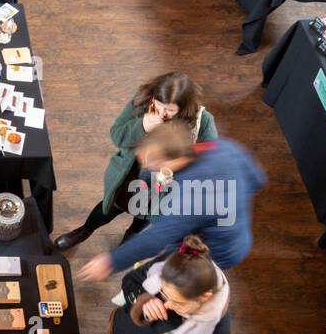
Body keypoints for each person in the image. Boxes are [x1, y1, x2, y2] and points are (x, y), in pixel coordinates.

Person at [78, 123, 267, 283]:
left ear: (169, 160)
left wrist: (110, 261)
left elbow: (156, 238)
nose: (149, 166)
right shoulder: (224, 147)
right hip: (240, 237)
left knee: (173, 283)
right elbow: (258, 179)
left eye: (152, 162)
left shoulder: (190, 198)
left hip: (216, 253)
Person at [54, 73, 218, 252]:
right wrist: (143, 125)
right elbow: (117, 135)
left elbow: (211, 160)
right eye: (160, 105)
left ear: (184, 106)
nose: (163, 113)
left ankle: (129, 240)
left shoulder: (202, 121)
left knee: (145, 217)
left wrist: (176, 164)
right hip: (131, 174)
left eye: (170, 110)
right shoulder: (142, 101)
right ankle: (84, 231)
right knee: (109, 208)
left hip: (163, 186)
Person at [94, 235, 231, 334]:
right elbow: (131, 280)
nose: (167, 305)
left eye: (177, 302)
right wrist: (142, 299)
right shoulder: (176, 264)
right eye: (162, 292)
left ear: (205, 297)